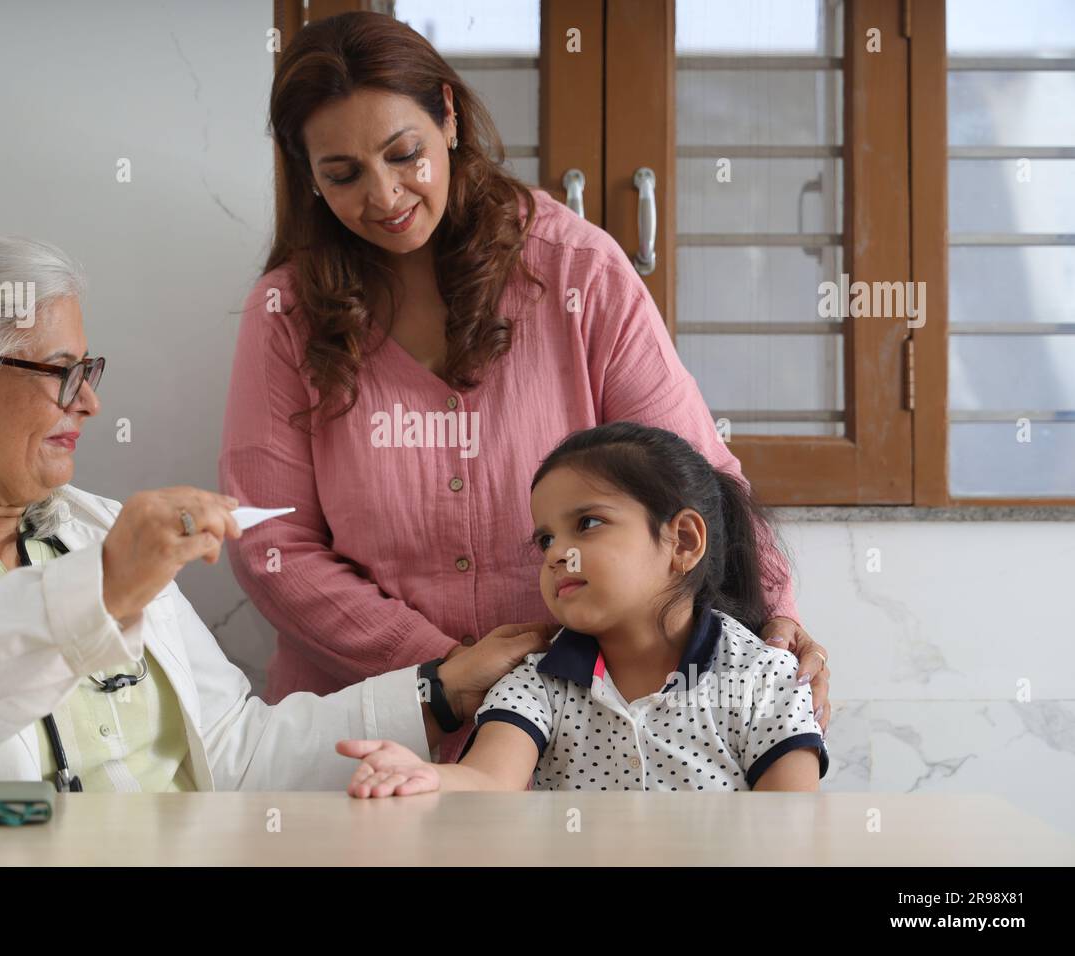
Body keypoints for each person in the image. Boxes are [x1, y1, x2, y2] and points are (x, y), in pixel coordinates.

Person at [221, 11, 831, 765]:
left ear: (448, 116)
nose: (382, 195)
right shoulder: (287, 315)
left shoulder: (577, 271)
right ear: (306, 173)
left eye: (403, 154)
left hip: (582, 733)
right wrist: (444, 669)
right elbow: (269, 539)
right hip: (363, 724)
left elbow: (700, 480)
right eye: (343, 174)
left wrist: (776, 622)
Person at [0, 232, 547, 791]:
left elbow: (236, 752)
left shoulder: (94, 529)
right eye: (60, 371)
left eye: (90, 368)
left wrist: (439, 689)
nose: (90, 400)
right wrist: (106, 589)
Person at [339, 423, 828, 795]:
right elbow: (487, 780)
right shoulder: (536, 680)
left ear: (682, 540)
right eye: (546, 538)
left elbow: (791, 829)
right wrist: (427, 777)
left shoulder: (766, 678)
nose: (556, 553)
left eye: (588, 523)